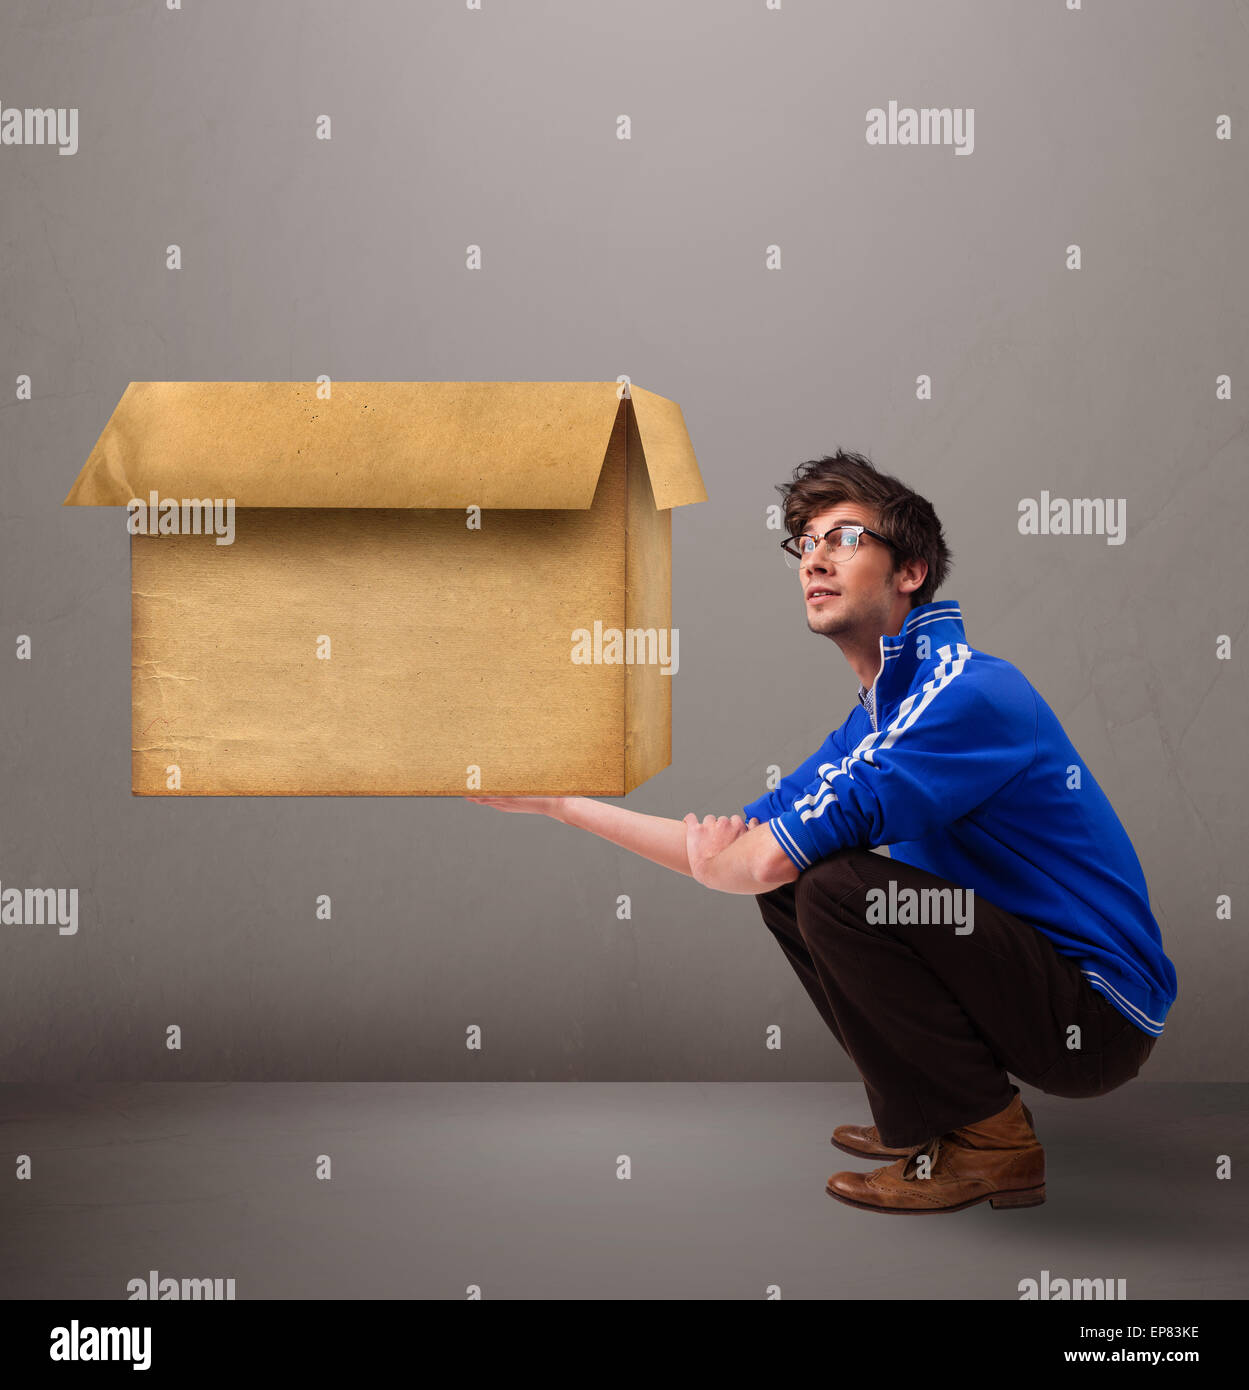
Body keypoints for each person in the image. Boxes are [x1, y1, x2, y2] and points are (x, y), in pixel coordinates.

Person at [468, 450, 1177, 1215]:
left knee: (834, 887)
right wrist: (560, 803)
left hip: (1095, 1013)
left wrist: (731, 864)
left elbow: (749, 858)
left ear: (908, 571)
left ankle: (992, 1144)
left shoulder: (966, 695)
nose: (814, 559)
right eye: (803, 543)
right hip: (1023, 983)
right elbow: (744, 849)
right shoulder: (873, 722)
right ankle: (929, 1113)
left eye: (842, 538)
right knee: (797, 885)